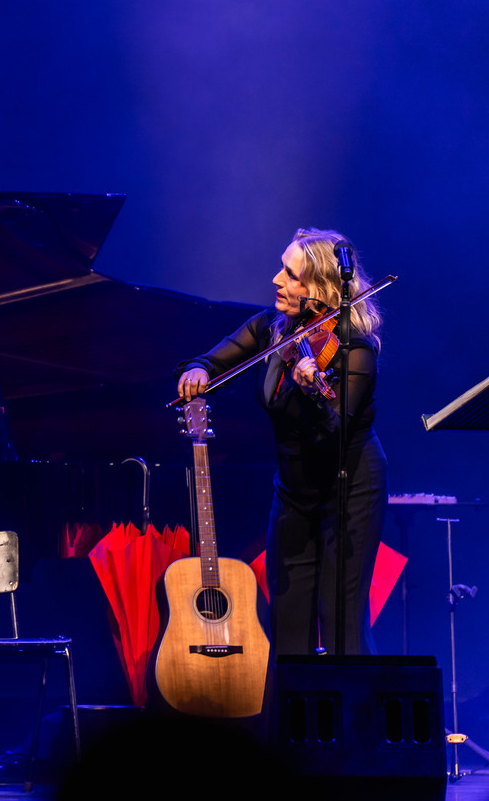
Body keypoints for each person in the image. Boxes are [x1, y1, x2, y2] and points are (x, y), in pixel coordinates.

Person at [175, 228, 386, 657]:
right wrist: (197, 370)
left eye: (291, 275)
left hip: (350, 491)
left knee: (342, 621)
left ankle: (354, 722)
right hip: (293, 492)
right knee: (287, 621)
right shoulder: (271, 329)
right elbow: (211, 360)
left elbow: (334, 431)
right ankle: (294, 724)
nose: (276, 279)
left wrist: (312, 391)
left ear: (321, 291)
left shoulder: (355, 350)